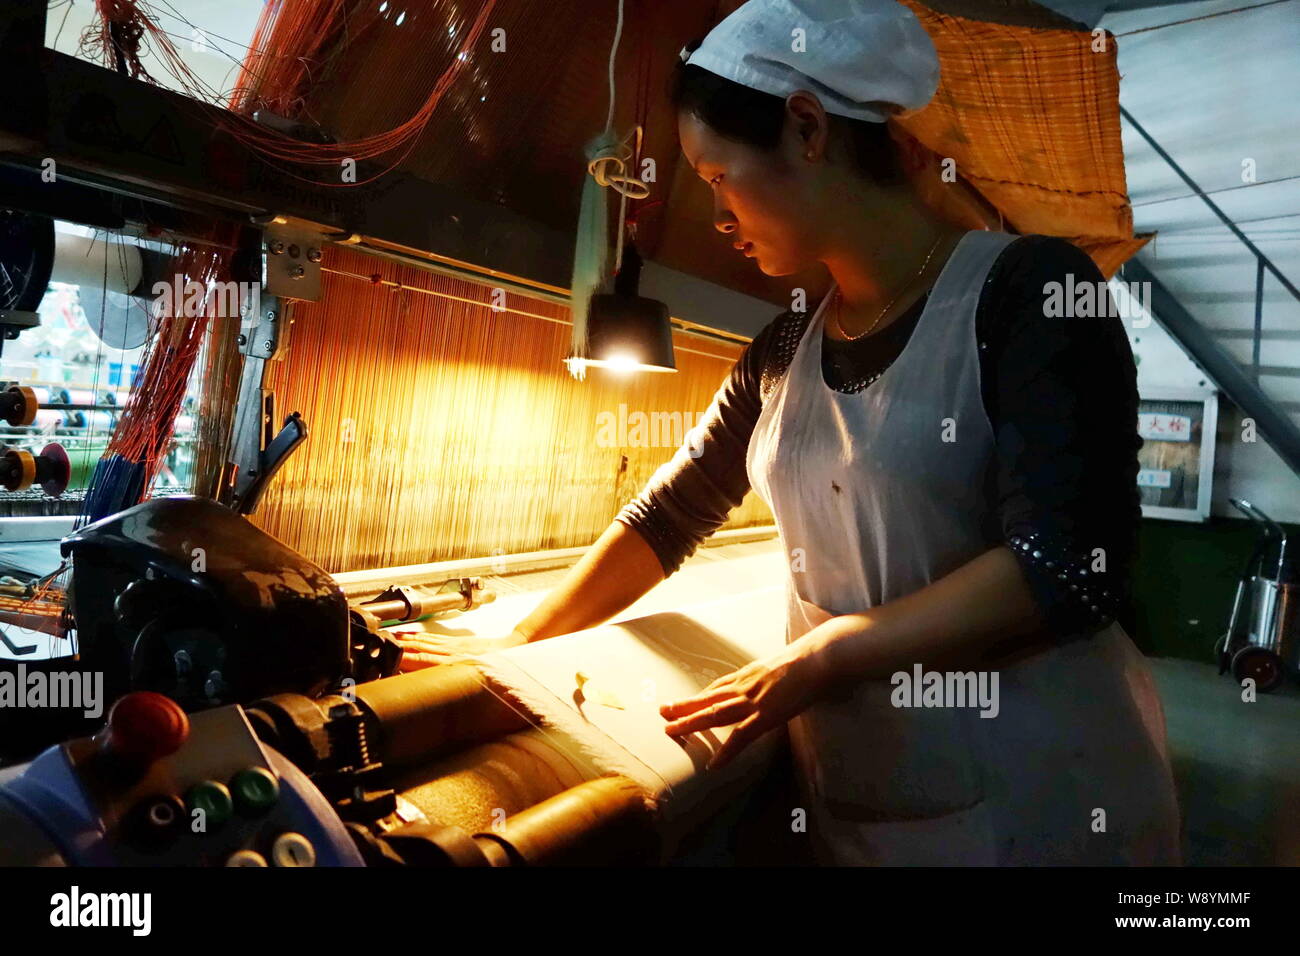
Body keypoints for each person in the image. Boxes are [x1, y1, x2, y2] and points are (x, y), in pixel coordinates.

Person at [396, 0, 1181, 865]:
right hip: (869, 792)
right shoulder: (785, 347)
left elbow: (1069, 565)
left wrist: (832, 653)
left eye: (718, 174)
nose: (719, 212)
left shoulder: (1027, 292)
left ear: (806, 128)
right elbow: (673, 511)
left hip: (1043, 796)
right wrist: (521, 640)